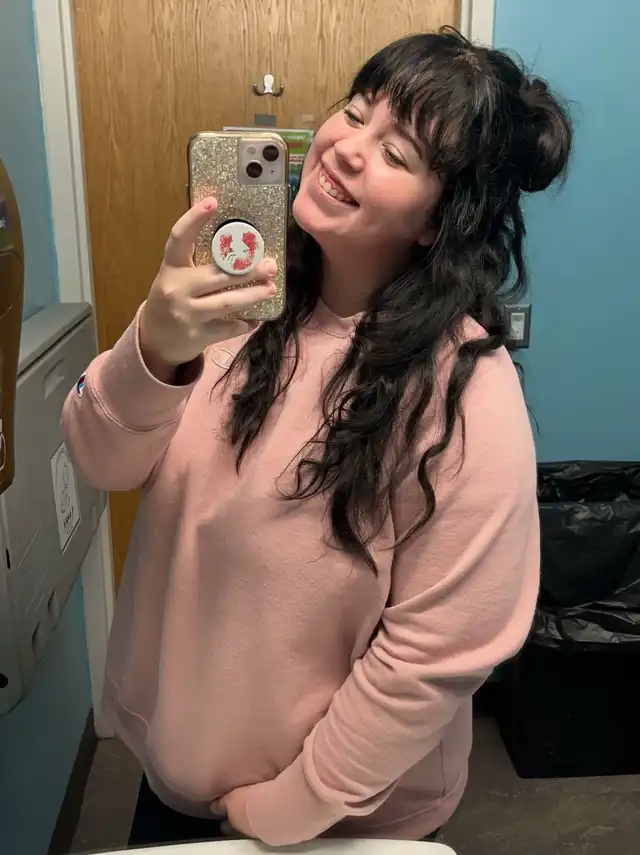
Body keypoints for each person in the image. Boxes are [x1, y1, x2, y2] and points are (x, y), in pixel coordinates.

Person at [63, 28, 571, 848]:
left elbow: (437, 651)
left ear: (438, 220)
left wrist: (292, 806)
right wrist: (154, 345)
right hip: (178, 770)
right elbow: (101, 459)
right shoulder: (234, 297)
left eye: (396, 153)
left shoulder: (463, 392)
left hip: (338, 816)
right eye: (357, 112)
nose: (347, 148)